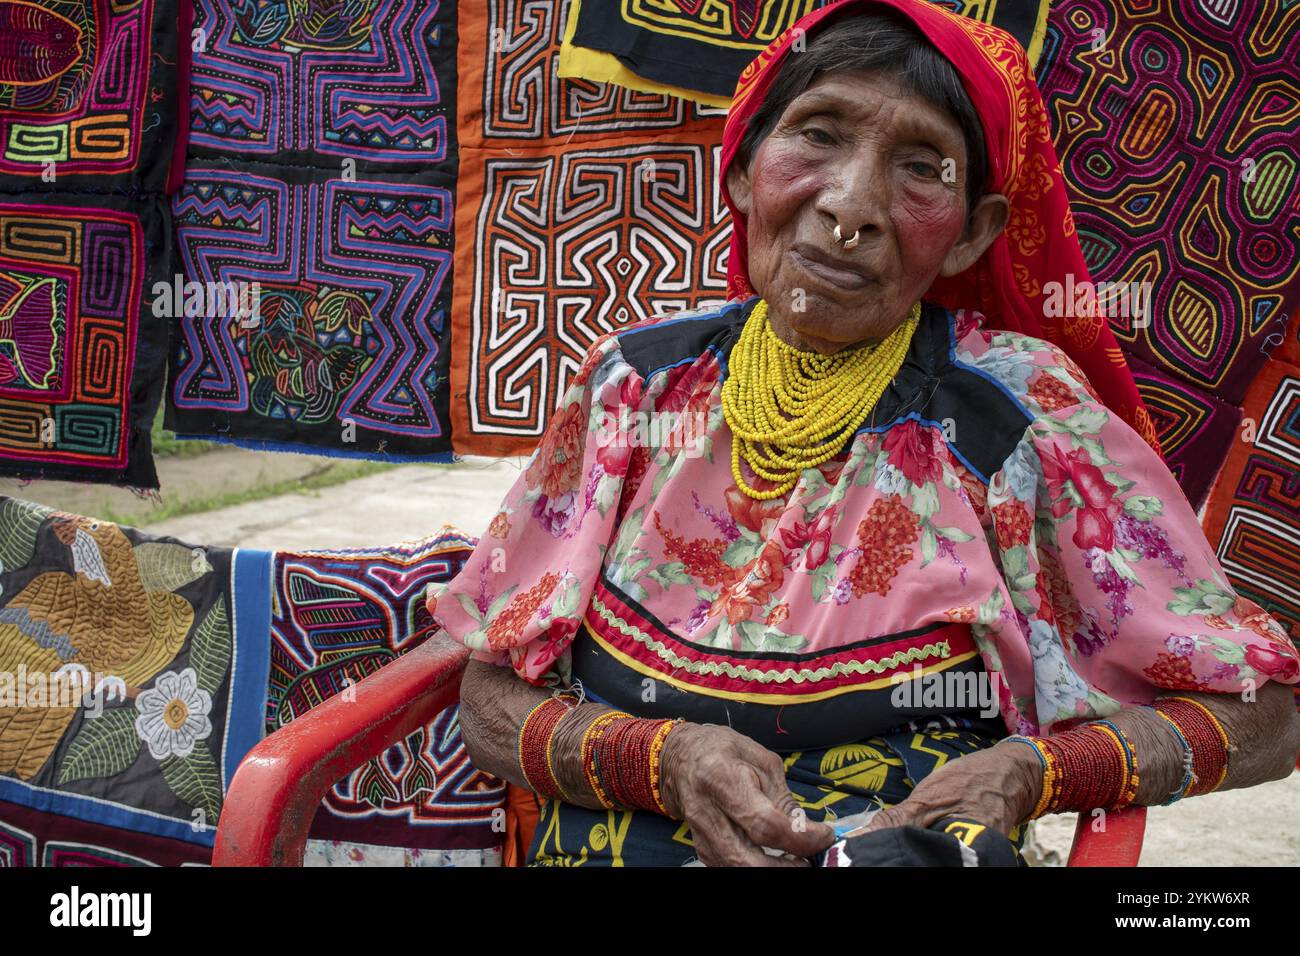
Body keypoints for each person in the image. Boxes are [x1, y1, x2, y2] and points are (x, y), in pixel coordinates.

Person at [427, 0, 1300, 866]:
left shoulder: (1018, 419)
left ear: (973, 234)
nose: (853, 205)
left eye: (922, 167)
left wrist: (1027, 772)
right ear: (741, 168)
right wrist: (662, 760)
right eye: (816, 134)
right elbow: (490, 688)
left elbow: (1263, 717)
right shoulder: (634, 386)